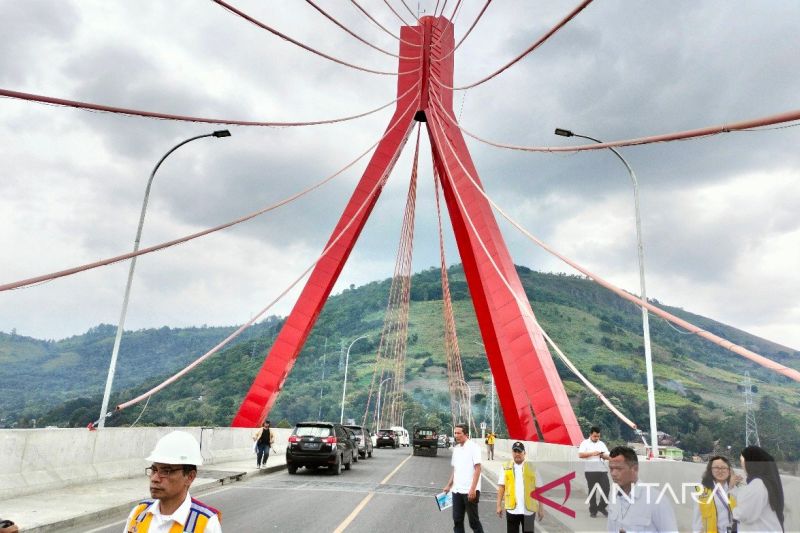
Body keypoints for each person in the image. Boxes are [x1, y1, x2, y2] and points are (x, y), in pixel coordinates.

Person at [125, 430, 222, 533]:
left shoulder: (206, 524)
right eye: (154, 470)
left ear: (190, 477)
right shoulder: (139, 513)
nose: (154, 478)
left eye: (166, 471)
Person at [606, 445, 678, 533]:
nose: (613, 473)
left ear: (635, 469)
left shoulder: (657, 500)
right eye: (611, 469)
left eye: (619, 469)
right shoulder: (613, 495)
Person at [443, 423, 485, 533]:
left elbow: (478, 469)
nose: (456, 435)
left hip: (469, 491)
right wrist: (449, 485)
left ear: (466, 434)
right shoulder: (456, 449)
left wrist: (473, 489)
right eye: (455, 433)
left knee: (473, 522)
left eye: (458, 433)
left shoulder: (474, 447)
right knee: (457, 520)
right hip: (456, 490)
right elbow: (455, 470)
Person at [732, 446, 784, 533]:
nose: (742, 464)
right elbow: (748, 499)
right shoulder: (763, 483)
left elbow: (744, 514)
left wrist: (728, 509)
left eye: (742, 460)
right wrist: (733, 486)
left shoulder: (758, 484)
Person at [496, 441, 544, 533]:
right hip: (512, 510)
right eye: (515, 451)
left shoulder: (533, 467)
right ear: (512, 452)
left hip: (528, 510)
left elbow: (538, 489)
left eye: (519, 452)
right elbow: (502, 487)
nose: (517, 454)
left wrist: (541, 508)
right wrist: (498, 505)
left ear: (524, 453)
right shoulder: (505, 467)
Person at [692, 455, 739, 533]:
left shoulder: (736, 490)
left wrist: (732, 487)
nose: (720, 471)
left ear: (729, 470)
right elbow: (697, 517)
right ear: (710, 470)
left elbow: (744, 511)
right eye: (716, 468)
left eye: (724, 468)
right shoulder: (703, 491)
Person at [578, 426, 610, 517]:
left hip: (602, 470)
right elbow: (580, 454)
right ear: (591, 435)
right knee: (592, 490)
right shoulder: (584, 443)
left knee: (606, 489)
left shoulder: (601, 444)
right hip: (590, 471)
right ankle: (593, 510)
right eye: (595, 436)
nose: (597, 438)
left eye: (598, 436)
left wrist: (603, 455)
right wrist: (593, 453)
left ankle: (602, 507)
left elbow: (607, 455)